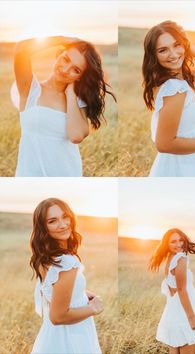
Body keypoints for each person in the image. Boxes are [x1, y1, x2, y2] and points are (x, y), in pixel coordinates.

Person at [13, 36, 115, 176]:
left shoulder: (78, 101)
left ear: (79, 77)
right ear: (59, 54)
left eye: (76, 70)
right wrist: (62, 40)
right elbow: (21, 48)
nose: (65, 69)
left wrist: (71, 94)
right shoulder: (30, 90)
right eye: (65, 59)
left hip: (65, 175)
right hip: (29, 176)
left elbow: (76, 136)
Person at [142, 21, 195, 177]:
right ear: (154, 56)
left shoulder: (182, 78)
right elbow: (164, 144)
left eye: (176, 45)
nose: (173, 54)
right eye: (163, 50)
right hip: (183, 166)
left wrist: (187, 46)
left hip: (189, 159)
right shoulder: (175, 88)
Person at [30, 198, 103, 354]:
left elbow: (54, 290)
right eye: (52, 221)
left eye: (65, 217)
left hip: (54, 337)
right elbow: (58, 317)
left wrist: (81, 294)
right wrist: (93, 309)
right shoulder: (66, 262)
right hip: (70, 337)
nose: (62, 224)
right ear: (43, 228)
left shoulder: (46, 258)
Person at [149, 228, 195, 354]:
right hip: (183, 315)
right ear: (166, 244)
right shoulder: (180, 259)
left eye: (180, 240)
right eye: (173, 242)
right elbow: (181, 290)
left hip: (172, 314)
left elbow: (172, 290)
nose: (178, 244)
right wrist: (192, 317)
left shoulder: (170, 258)